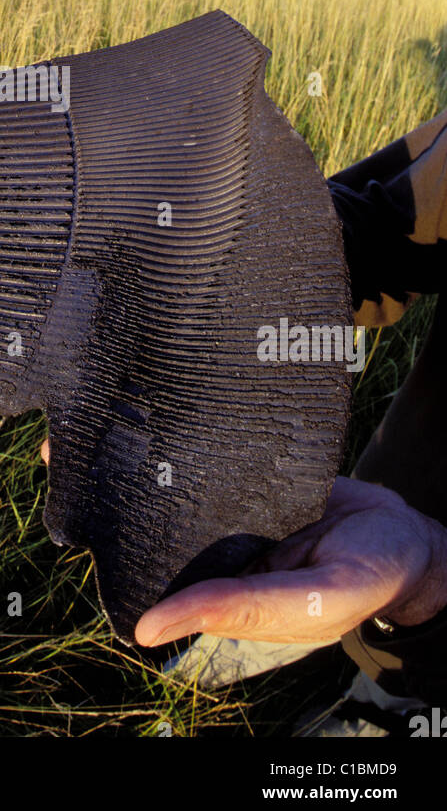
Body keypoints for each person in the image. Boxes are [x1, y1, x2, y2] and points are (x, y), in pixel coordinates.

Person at [45, 107, 447, 733]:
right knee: (329, 603)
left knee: (404, 670)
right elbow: (397, 222)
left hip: (411, 567)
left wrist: (433, 582)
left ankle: (397, 702)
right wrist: (242, 264)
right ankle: (361, 656)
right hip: (384, 507)